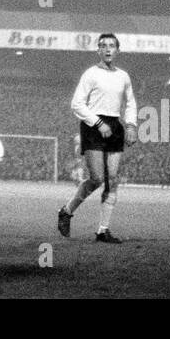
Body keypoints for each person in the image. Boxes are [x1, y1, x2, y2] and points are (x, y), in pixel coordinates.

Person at [56, 33, 138, 243]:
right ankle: (66, 211)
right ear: (98, 50)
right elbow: (77, 104)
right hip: (93, 127)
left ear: (117, 50)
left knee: (112, 180)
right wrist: (99, 123)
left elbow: (130, 103)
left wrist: (131, 125)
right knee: (97, 178)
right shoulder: (91, 74)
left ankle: (103, 230)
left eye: (112, 45)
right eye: (103, 45)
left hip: (115, 126)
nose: (108, 49)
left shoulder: (123, 76)